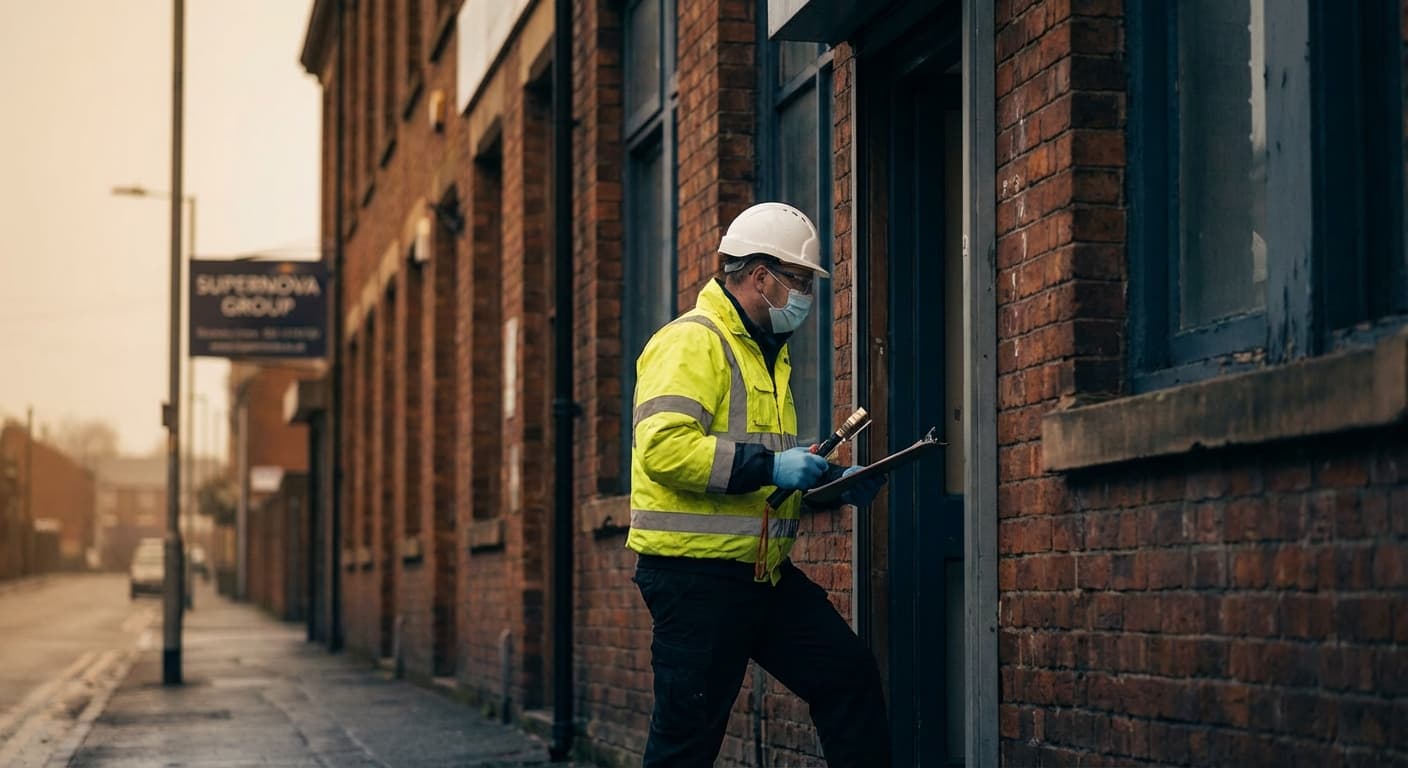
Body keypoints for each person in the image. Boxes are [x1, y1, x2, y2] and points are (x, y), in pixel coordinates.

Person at [626, 202, 891, 767]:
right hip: (694, 579)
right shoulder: (692, 342)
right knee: (686, 743)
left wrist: (830, 480)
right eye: (798, 282)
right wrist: (773, 468)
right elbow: (664, 449)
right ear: (761, 276)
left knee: (848, 677)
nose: (806, 297)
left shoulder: (767, 353)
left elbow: (761, 469)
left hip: (760, 574)